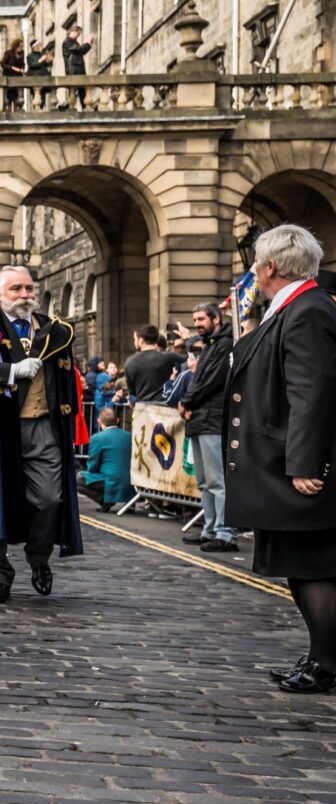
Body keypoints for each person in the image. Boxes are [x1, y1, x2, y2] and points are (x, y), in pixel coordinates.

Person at [224, 224, 336, 694]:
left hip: (294, 466)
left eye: (255, 261)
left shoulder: (307, 310)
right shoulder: (292, 306)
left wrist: (305, 462)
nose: (252, 269)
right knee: (300, 563)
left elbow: (312, 391)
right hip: (280, 461)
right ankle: (320, 653)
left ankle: (327, 662)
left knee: (311, 563)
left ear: (269, 266)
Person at [0, 265, 83, 603]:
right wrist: (11, 370)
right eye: (16, 289)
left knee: (49, 499)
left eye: (29, 289)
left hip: (43, 427)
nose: (25, 296)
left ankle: (38, 557)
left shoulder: (55, 330)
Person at [179, 303, 235, 551]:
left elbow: (211, 381)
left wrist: (186, 401)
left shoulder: (224, 344)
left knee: (217, 480)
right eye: (195, 319)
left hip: (213, 418)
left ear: (216, 318)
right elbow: (200, 379)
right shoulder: (211, 344)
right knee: (203, 481)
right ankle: (210, 529)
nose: (197, 323)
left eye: (201, 318)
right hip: (200, 419)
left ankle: (225, 533)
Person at [78, 407, 133, 509]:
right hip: (132, 482)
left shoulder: (97, 438)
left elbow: (93, 465)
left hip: (110, 482)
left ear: (99, 421)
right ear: (117, 420)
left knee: (77, 479)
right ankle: (130, 505)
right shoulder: (130, 436)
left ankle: (103, 500)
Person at [119, 324, 176, 405]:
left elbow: (132, 393)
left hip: (143, 411)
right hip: (165, 409)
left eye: (135, 339)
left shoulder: (130, 362)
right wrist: (187, 340)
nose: (134, 342)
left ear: (141, 341)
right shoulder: (169, 358)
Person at [62, 26, 93, 109]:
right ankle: (65, 106)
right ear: (74, 31)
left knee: (81, 90)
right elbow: (78, 50)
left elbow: (81, 51)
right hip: (73, 70)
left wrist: (88, 45)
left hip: (78, 69)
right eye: (78, 33)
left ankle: (85, 106)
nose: (79, 35)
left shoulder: (74, 42)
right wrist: (88, 43)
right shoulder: (67, 42)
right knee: (73, 90)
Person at [27, 40, 53, 109]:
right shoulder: (30, 56)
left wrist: (49, 60)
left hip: (43, 77)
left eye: (39, 45)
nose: (38, 47)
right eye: (37, 46)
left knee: (43, 97)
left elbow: (46, 65)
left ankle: (41, 108)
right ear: (33, 47)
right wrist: (40, 60)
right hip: (35, 78)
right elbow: (32, 65)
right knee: (36, 96)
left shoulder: (41, 54)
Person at [1, 39, 26, 111]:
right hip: (9, 76)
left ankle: (15, 112)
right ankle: (9, 113)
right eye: (20, 45)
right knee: (9, 98)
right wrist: (13, 68)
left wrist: (22, 69)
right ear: (16, 45)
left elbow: (23, 64)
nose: (21, 47)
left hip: (18, 77)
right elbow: (3, 64)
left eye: (22, 46)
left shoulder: (22, 54)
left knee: (16, 97)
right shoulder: (9, 53)